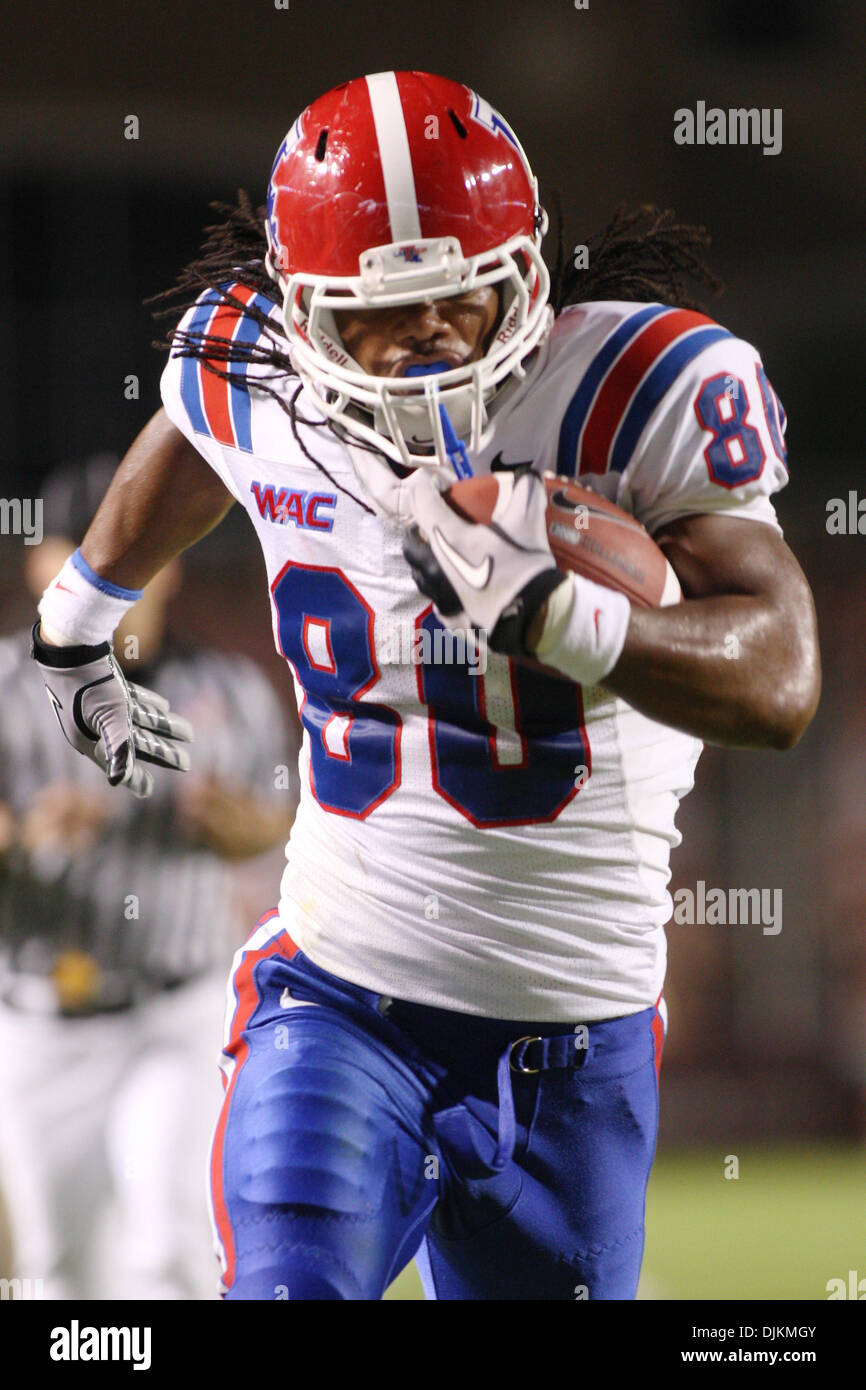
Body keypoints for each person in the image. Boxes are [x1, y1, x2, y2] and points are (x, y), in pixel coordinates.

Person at [30, 72, 820, 1301]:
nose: (433, 333)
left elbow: (778, 681)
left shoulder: (640, 387)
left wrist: (569, 620)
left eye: (462, 288)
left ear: (524, 266)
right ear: (301, 317)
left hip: (581, 1034)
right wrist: (77, 622)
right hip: (342, 996)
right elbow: (196, 425)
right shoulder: (254, 370)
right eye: (377, 314)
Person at [0, 459, 297, 1299]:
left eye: (135, 554)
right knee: (61, 1273)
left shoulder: (230, 691)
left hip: (179, 1011)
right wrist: (20, 833)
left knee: (169, 1250)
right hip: (39, 1019)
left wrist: (254, 829)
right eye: (83, 553)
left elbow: (292, 832)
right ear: (40, 566)